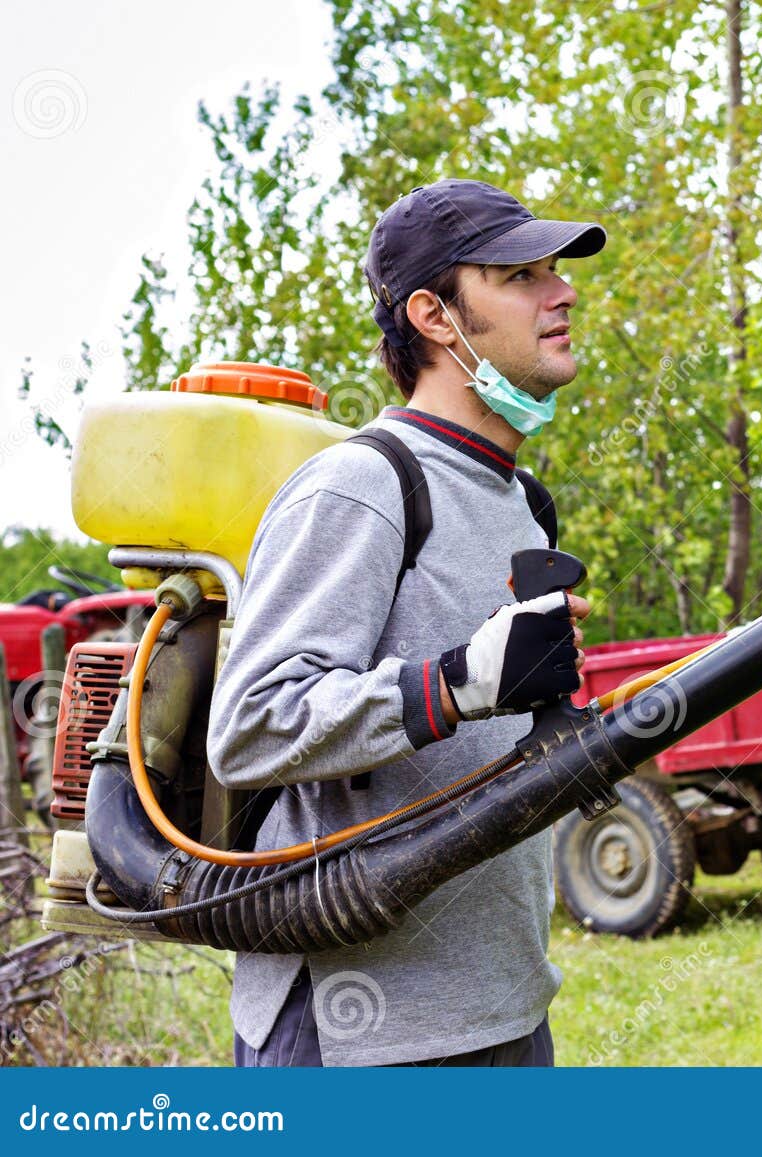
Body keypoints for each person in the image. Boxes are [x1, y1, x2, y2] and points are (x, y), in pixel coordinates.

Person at [207, 178, 605, 1067]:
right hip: (360, 1033)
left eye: (557, 272)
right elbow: (249, 727)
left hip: (503, 1006)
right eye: (523, 275)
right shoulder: (361, 486)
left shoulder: (521, 502)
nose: (564, 292)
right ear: (434, 314)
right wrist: (458, 681)